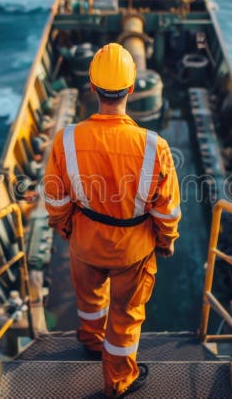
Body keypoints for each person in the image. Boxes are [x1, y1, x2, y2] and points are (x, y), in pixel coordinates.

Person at [42, 43, 181, 398]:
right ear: (132, 90)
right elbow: (167, 211)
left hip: (85, 244)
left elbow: (56, 201)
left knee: (90, 302)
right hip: (133, 252)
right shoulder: (155, 147)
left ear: (92, 88)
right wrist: (164, 243)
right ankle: (118, 381)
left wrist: (67, 229)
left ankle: (90, 341)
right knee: (126, 314)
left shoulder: (67, 140)